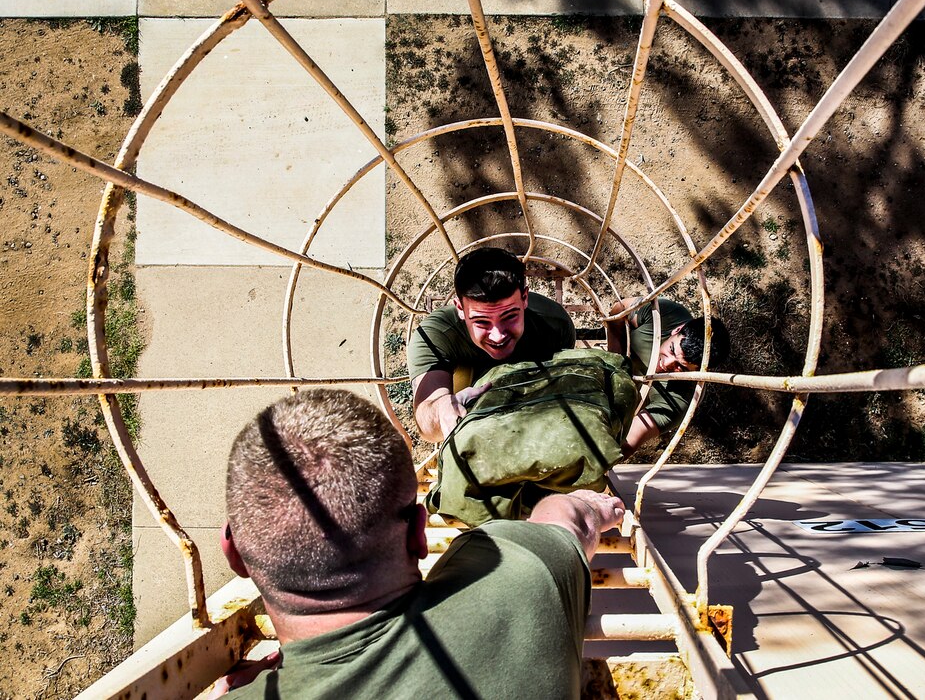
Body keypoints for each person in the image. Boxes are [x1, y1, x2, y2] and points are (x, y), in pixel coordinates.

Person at [218, 389, 624, 698]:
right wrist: (590, 504)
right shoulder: (518, 574)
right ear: (418, 533)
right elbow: (571, 522)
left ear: (233, 552)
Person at [407, 246, 575, 442]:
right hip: (470, 433)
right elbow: (426, 423)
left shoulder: (554, 324)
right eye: (481, 322)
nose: (497, 336)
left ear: (524, 299)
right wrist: (443, 409)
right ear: (460, 309)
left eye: (509, 316)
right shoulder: (436, 335)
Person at [605, 297, 729, 454]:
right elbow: (619, 309)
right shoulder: (667, 315)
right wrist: (615, 357)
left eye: (680, 367)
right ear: (678, 329)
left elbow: (625, 443)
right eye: (671, 349)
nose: (667, 363)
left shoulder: (681, 400)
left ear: (699, 371)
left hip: (612, 409)